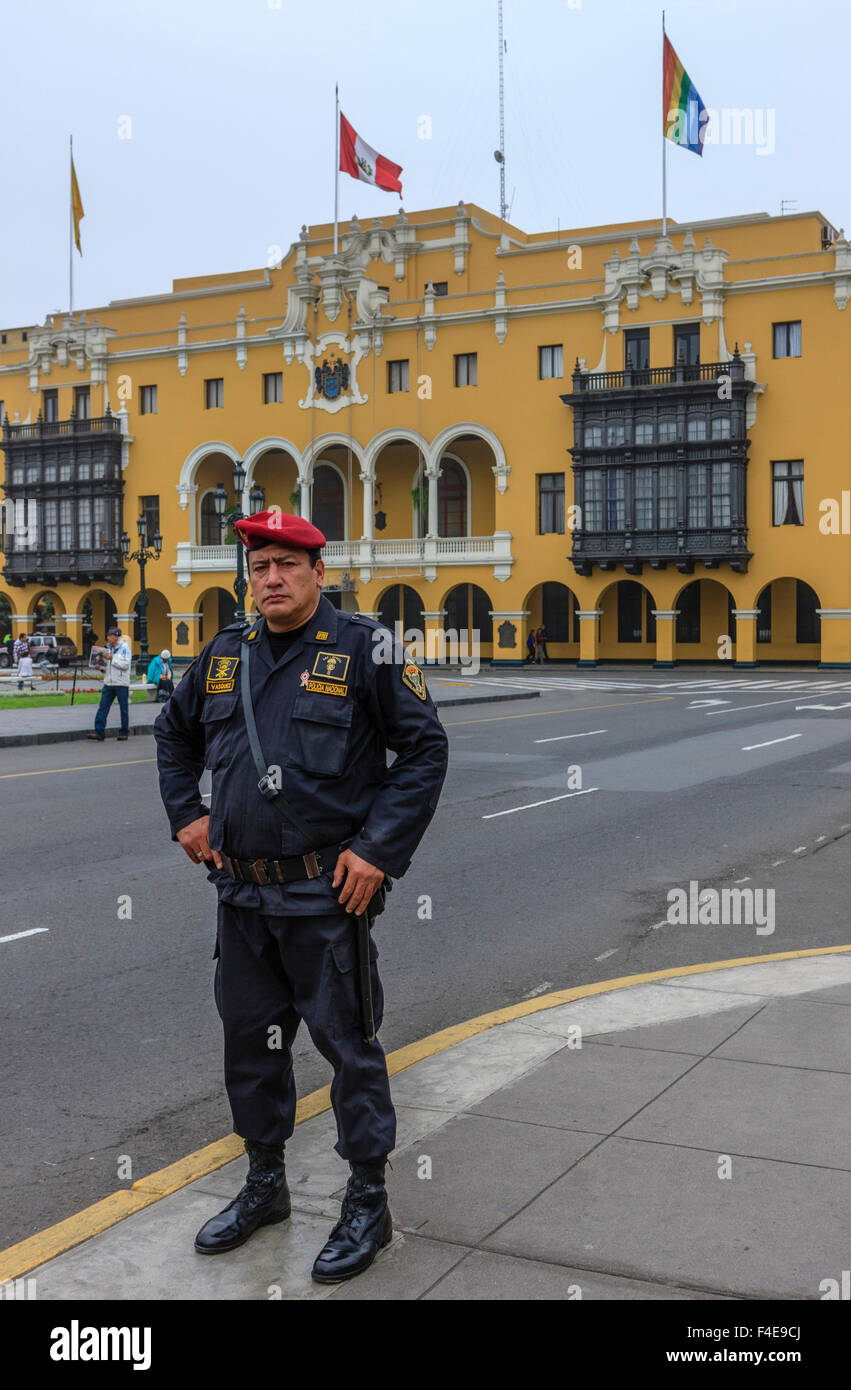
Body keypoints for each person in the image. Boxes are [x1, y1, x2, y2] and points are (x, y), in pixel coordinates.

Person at [153, 510, 448, 1284]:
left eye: (286, 564)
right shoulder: (225, 655)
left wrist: (377, 852)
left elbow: (423, 748)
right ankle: (264, 1185)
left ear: (320, 571)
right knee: (250, 1049)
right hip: (243, 898)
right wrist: (186, 812)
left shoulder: (365, 647)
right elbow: (172, 734)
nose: (271, 579)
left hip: (326, 899)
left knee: (349, 1051)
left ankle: (368, 1201)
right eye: (259, 567)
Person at [88, 627, 132, 741]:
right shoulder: (107, 649)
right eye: (108, 636)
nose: (108, 638)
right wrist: (100, 668)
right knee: (103, 707)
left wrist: (112, 658)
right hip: (108, 682)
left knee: (123, 709)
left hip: (121, 683)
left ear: (116, 636)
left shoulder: (124, 648)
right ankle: (99, 731)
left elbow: (126, 665)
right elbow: (108, 667)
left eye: (110, 636)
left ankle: (124, 732)